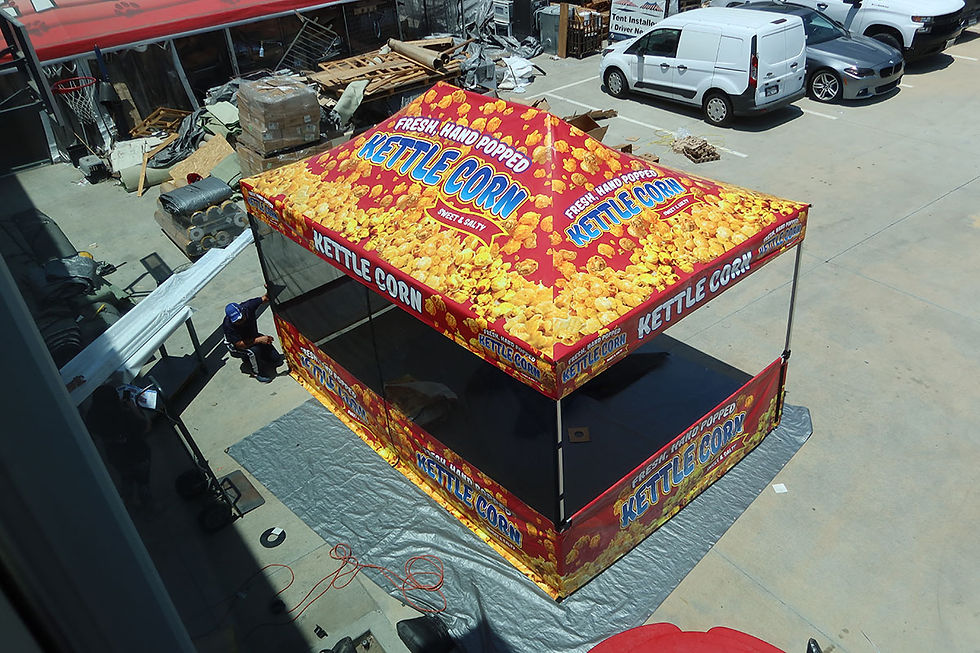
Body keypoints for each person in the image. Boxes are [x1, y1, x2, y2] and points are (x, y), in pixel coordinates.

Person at [86, 384, 154, 509]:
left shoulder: (92, 417)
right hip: (137, 453)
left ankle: (128, 501)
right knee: (142, 481)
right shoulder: (125, 417)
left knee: (126, 478)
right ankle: (148, 504)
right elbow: (146, 427)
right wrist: (134, 409)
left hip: (116, 457)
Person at [222, 293, 283, 383]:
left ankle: (252, 359)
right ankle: (257, 373)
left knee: (276, 359)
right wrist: (259, 340)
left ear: (243, 311)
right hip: (237, 346)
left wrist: (270, 288)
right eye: (236, 321)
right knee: (254, 351)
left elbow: (265, 298)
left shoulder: (248, 306)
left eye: (241, 319)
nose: (240, 322)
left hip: (252, 335)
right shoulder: (228, 325)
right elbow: (239, 345)